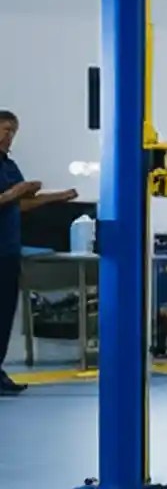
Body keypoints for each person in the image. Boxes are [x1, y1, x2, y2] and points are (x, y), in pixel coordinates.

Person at [0, 110, 77, 396]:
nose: (9, 137)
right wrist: (14, 192)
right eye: (6, 129)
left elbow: (20, 205)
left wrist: (59, 196)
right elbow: (10, 198)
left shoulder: (9, 166)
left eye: (13, 132)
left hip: (8, 253)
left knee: (4, 315)